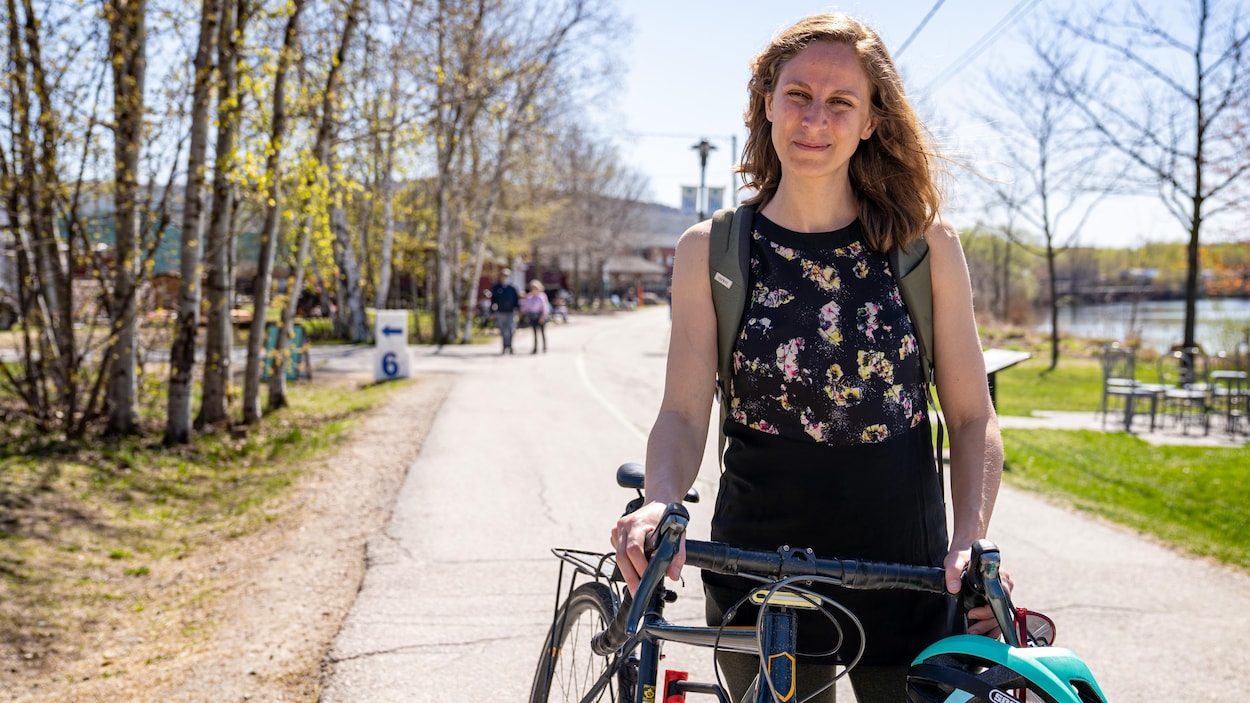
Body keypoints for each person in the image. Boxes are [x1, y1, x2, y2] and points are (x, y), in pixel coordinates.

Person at [610, 13, 1005, 703]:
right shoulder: (713, 250)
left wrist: (970, 542)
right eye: (797, 94)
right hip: (759, 572)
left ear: (871, 120)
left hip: (905, 574)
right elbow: (681, 411)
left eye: (840, 101)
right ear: (766, 102)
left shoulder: (923, 244)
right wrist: (660, 502)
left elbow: (973, 417)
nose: (814, 118)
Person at [490, 268, 520, 354]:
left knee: (510, 330)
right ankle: (504, 347)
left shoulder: (512, 288)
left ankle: (510, 347)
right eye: (503, 275)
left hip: (510, 312)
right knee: (503, 330)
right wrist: (492, 312)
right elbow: (493, 301)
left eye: (507, 276)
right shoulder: (496, 287)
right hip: (500, 312)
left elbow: (516, 301)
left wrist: (518, 311)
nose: (505, 277)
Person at [520, 279, 550, 353]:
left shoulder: (542, 296)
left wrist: (543, 316)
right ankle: (535, 348)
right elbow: (526, 306)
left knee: (542, 332)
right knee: (534, 333)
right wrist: (521, 312)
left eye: (535, 288)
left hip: (540, 316)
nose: (534, 289)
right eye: (532, 288)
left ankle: (544, 347)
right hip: (532, 316)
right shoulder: (529, 296)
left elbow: (545, 307)